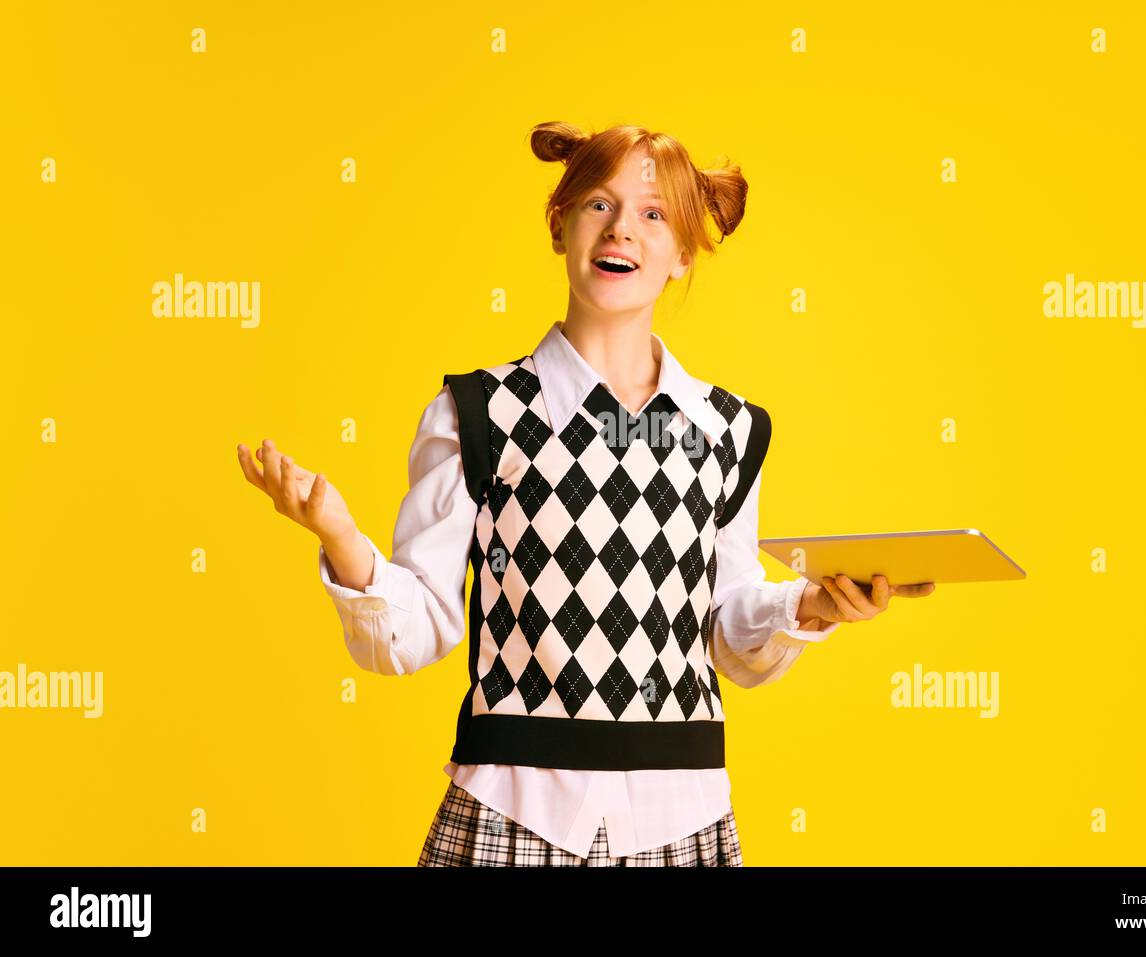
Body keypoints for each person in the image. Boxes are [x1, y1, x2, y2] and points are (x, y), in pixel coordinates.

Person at [236, 121, 936, 866]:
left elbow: (730, 632)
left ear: (682, 256)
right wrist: (341, 536)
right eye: (598, 205)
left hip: (684, 824)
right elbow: (418, 630)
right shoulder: (479, 414)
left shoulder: (727, 430)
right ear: (561, 225)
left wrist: (809, 605)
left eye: (653, 213)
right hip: (509, 815)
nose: (622, 230)